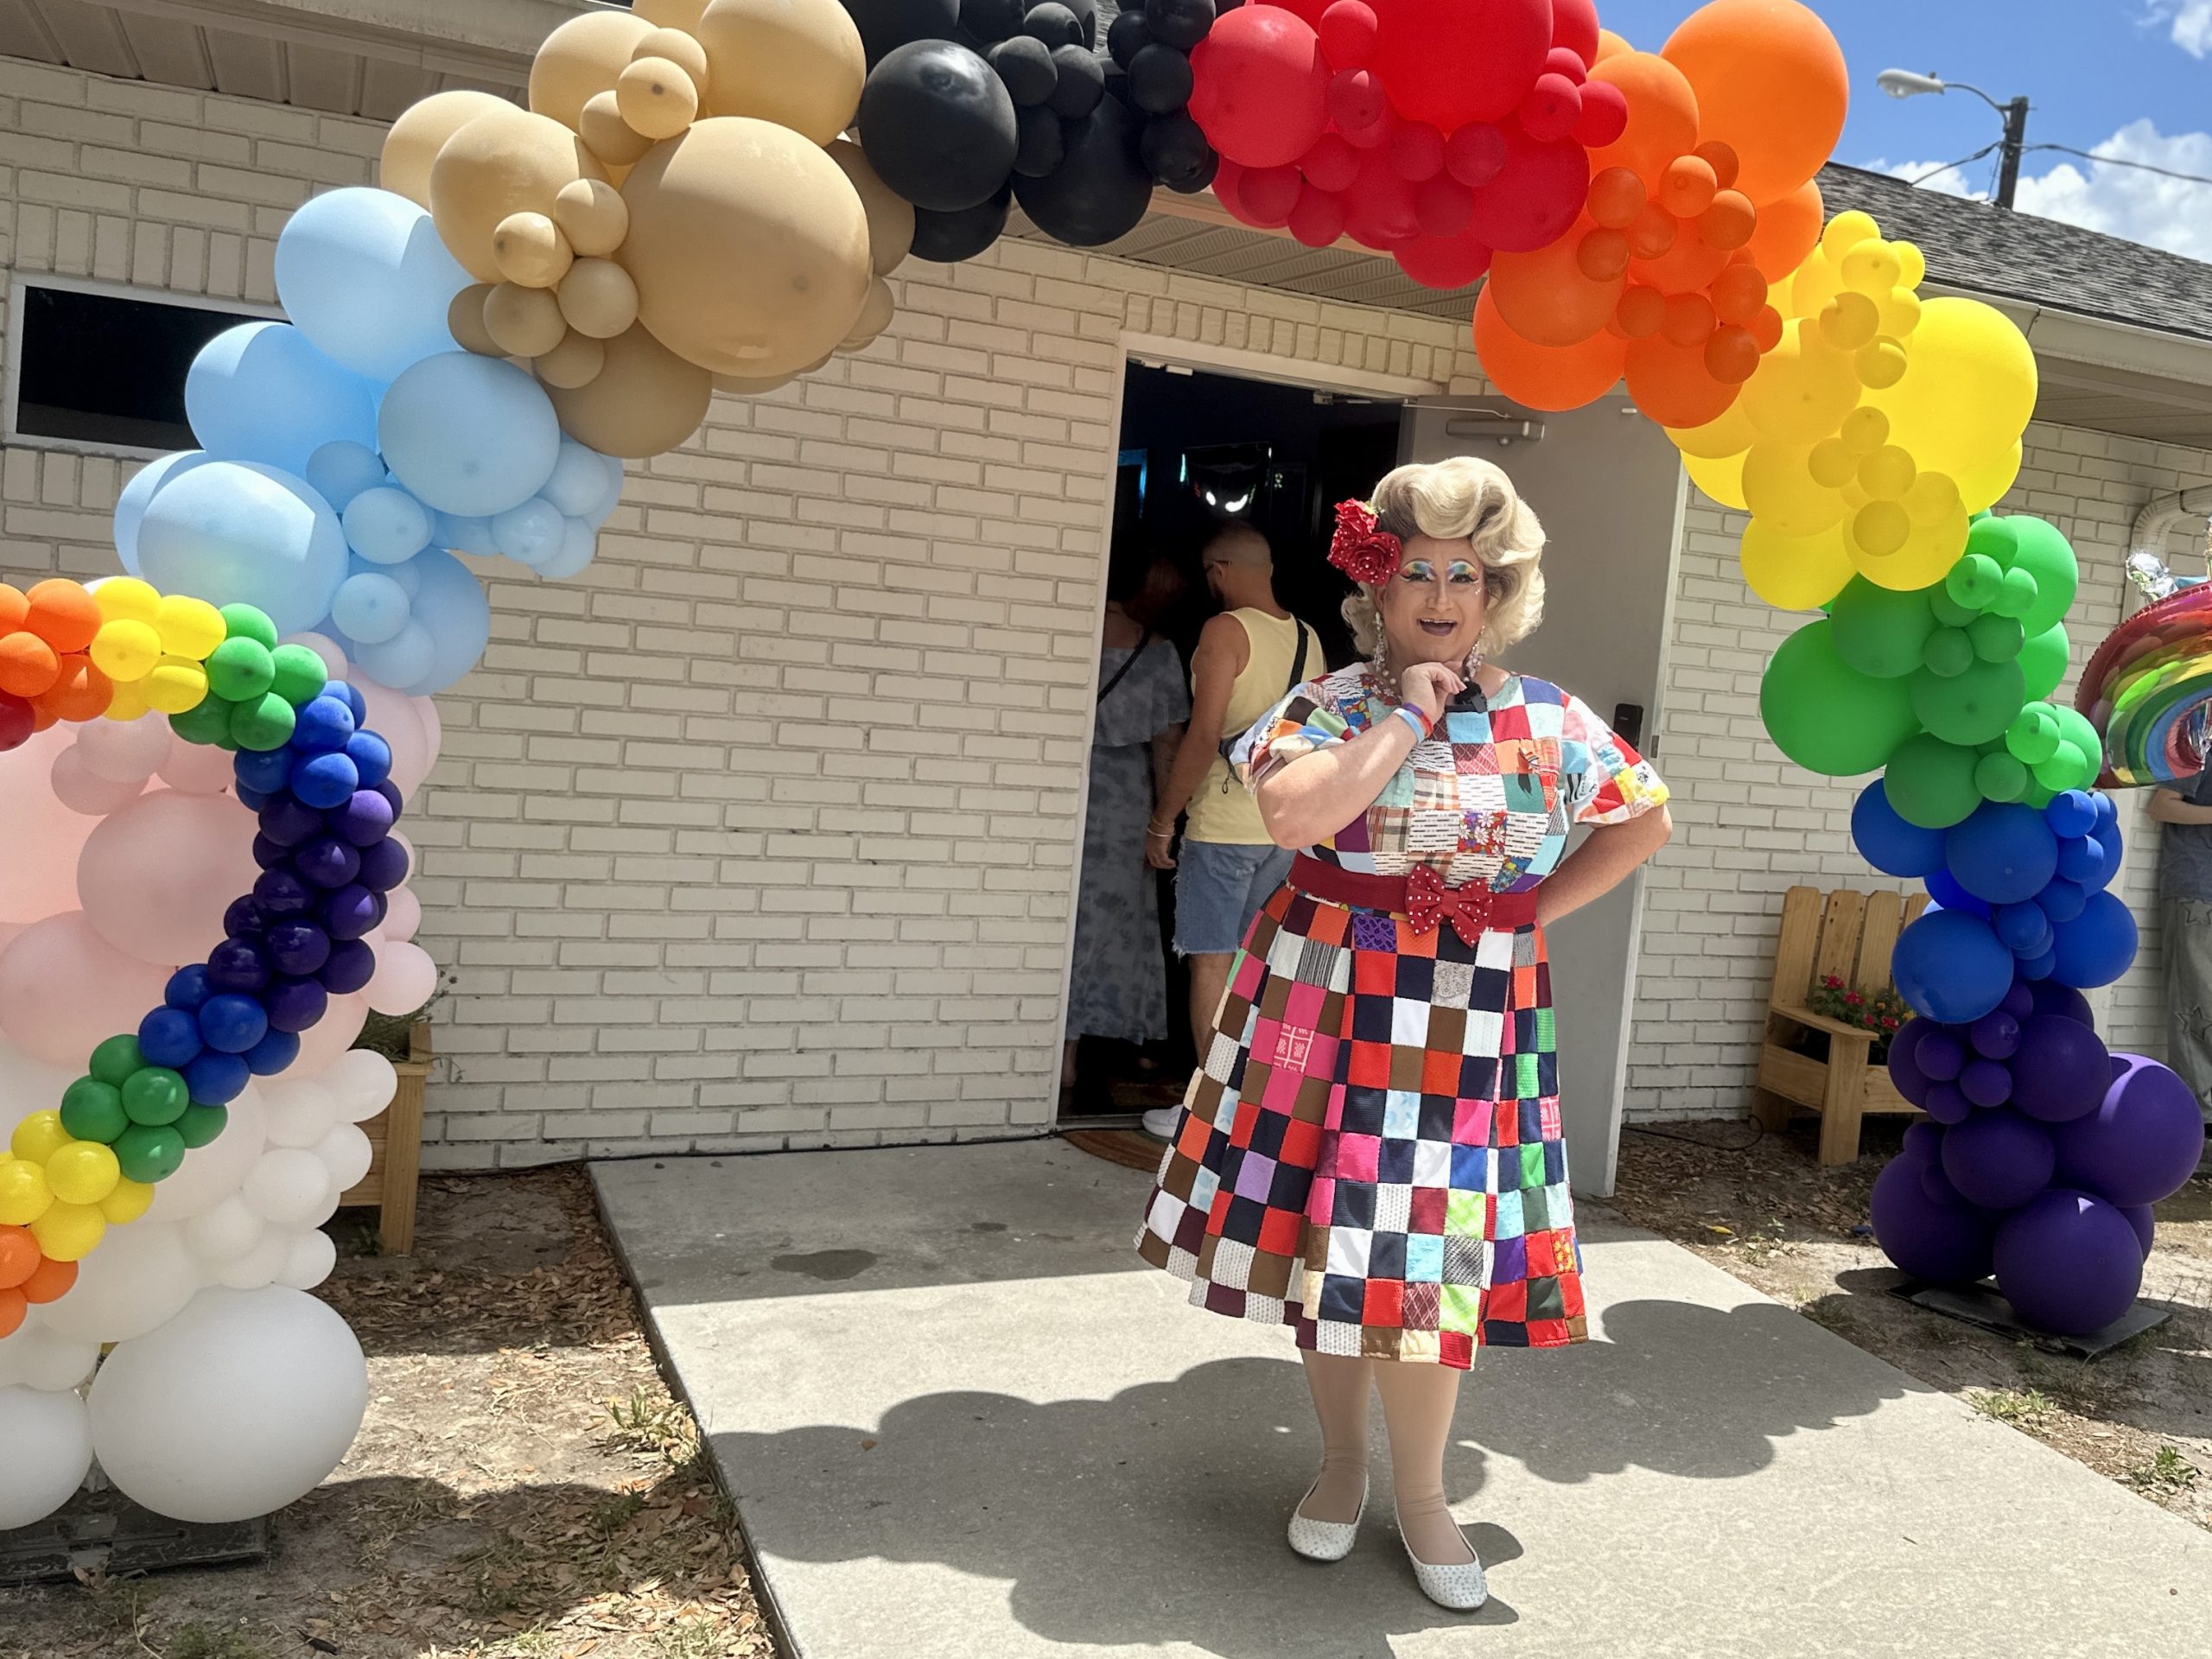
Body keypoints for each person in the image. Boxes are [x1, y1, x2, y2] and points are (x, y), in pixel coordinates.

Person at [1135, 457, 1672, 1611]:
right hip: (1320, 1000)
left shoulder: (1549, 719)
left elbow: (1642, 821)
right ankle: (1340, 1468)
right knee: (1332, 1239)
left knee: (1428, 1254)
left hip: (1467, 1018)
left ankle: (1424, 1497)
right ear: (1379, 594)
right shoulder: (1328, 704)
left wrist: (1528, 910)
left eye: (1465, 575)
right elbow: (1296, 810)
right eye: (1417, 572)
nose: (1440, 593)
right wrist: (1406, 715)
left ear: (1497, 593)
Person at [1142, 521, 1316, 1139]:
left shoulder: (1224, 631)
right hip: (1283, 829)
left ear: (1218, 572)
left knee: (1211, 964)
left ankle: (1211, 1112)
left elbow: (1202, 732)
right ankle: (1254, 1106)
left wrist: (1164, 819)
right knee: (1257, 969)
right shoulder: (1308, 638)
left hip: (1223, 828)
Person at [1065, 558, 1190, 1093]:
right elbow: (1168, 746)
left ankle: (1061, 1055)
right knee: (1122, 922)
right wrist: (1166, 820)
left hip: (1064, 794)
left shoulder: (1069, 634)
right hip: (1123, 802)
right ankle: (1127, 1039)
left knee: (1063, 925)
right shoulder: (1157, 650)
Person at [2147, 769, 2212, 1115]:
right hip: (2198, 893)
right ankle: (2202, 1127)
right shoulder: (2199, 746)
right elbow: (2161, 807)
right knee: (2198, 1008)